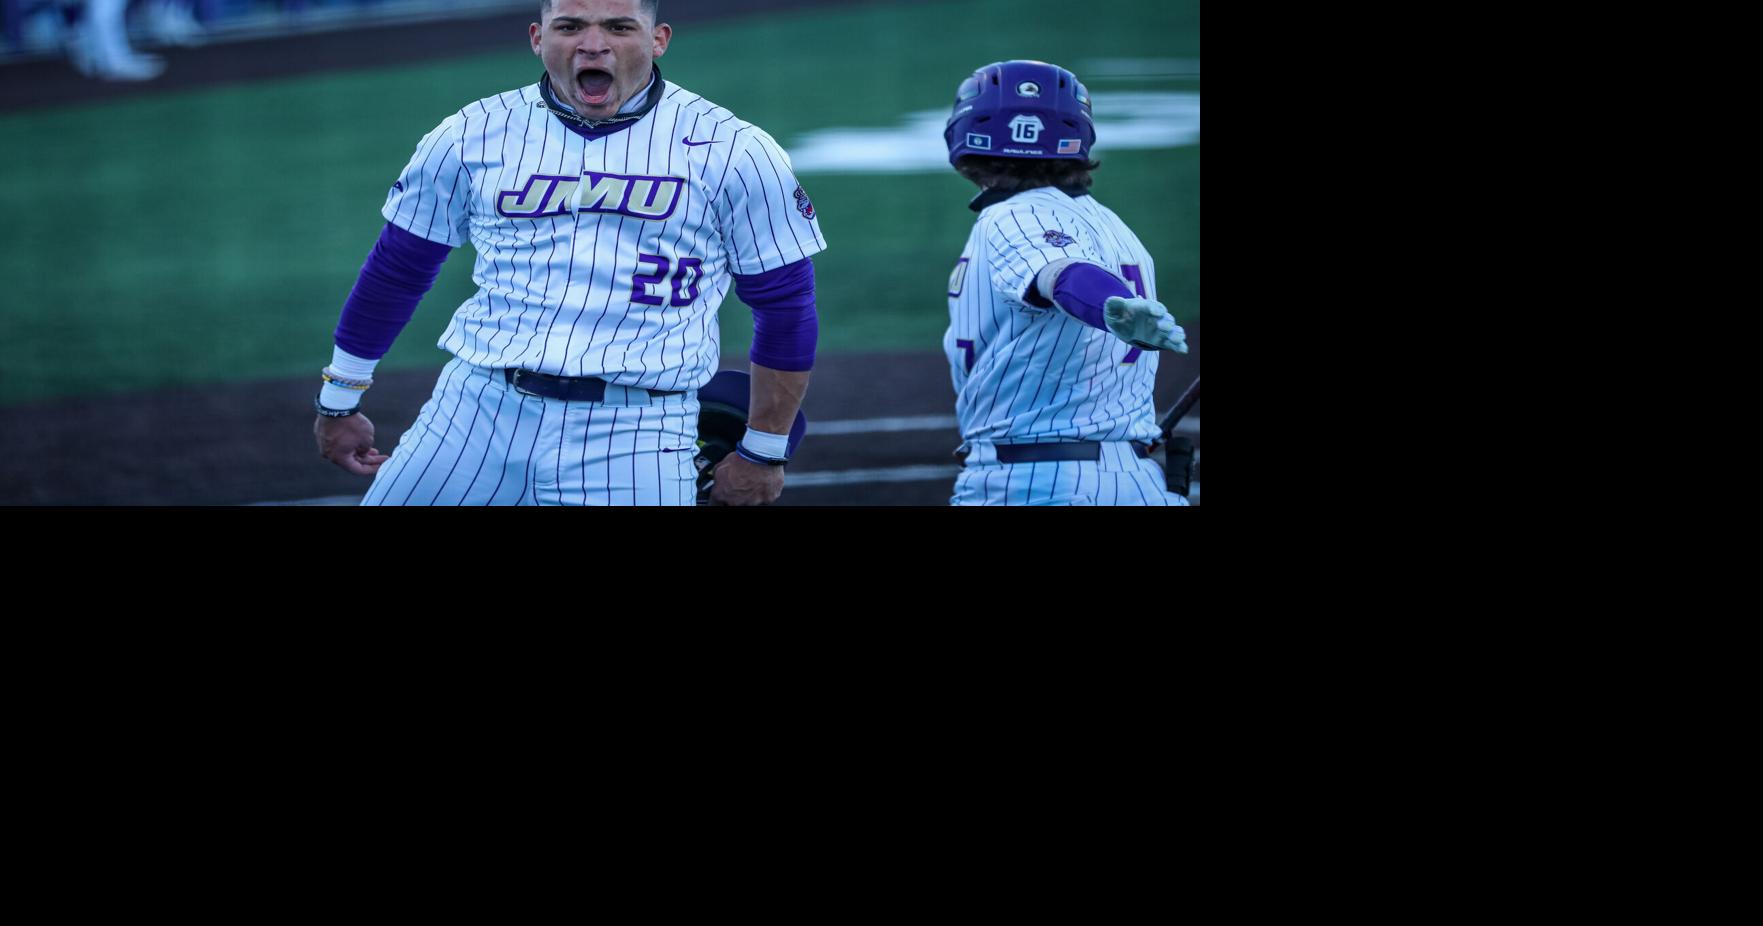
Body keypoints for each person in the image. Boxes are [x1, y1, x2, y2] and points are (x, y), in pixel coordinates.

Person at [313, 0, 825, 505]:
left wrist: (764, 450)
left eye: (619, 27)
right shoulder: (470, 134)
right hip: (473, 411)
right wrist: (340, 397)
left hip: (637, 430)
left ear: (658, 39)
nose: (593, 45)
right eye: (570, 27)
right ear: (538, 39)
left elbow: (785, 304)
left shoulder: (735, 150)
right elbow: (398, 269)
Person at [940, 59, 1191, 506]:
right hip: (1133, 482)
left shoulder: (1013, 215)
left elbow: (1062, 273)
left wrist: (1110, 306)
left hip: (1038, 486)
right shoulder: (1111, 225)